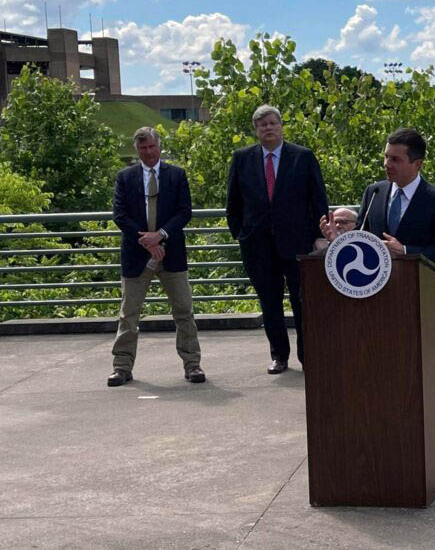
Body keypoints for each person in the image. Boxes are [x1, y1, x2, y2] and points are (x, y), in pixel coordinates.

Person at [227, 105, 328, 374]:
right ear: (256, 130)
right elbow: (233, 203)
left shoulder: (303, 157)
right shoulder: (242, 158)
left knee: (302, 301)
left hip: (297, 243)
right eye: (262, 125)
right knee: (269, 302)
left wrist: (320, 236)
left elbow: (318, 199)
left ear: (281, 126)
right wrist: (241, 234)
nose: (268, 128)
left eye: (272, 123)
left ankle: (309, 356)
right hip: (257, 245)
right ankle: (279, 356)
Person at [108, 127, 204, 386]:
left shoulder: (176, 175)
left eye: (152, 147)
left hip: (171, 254)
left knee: (184, 311)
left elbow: (184, 212)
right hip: (137, 256)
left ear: (159, 147)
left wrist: (160, 235)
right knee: (129, 314)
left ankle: (192, 364)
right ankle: (122, 367)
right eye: (143, 148)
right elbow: (120, 215)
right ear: (136, 150)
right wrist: (147, 242)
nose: (148, 152)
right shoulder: (125, 177)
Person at [355, 128, 435, 267]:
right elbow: (361, 235)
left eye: (395, 159)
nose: (387, 164)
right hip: (374, 282)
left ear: (417, 164)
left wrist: (405, 251)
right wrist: (337, 239)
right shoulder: (374, 192)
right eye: (386, 156)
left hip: (416, 284)